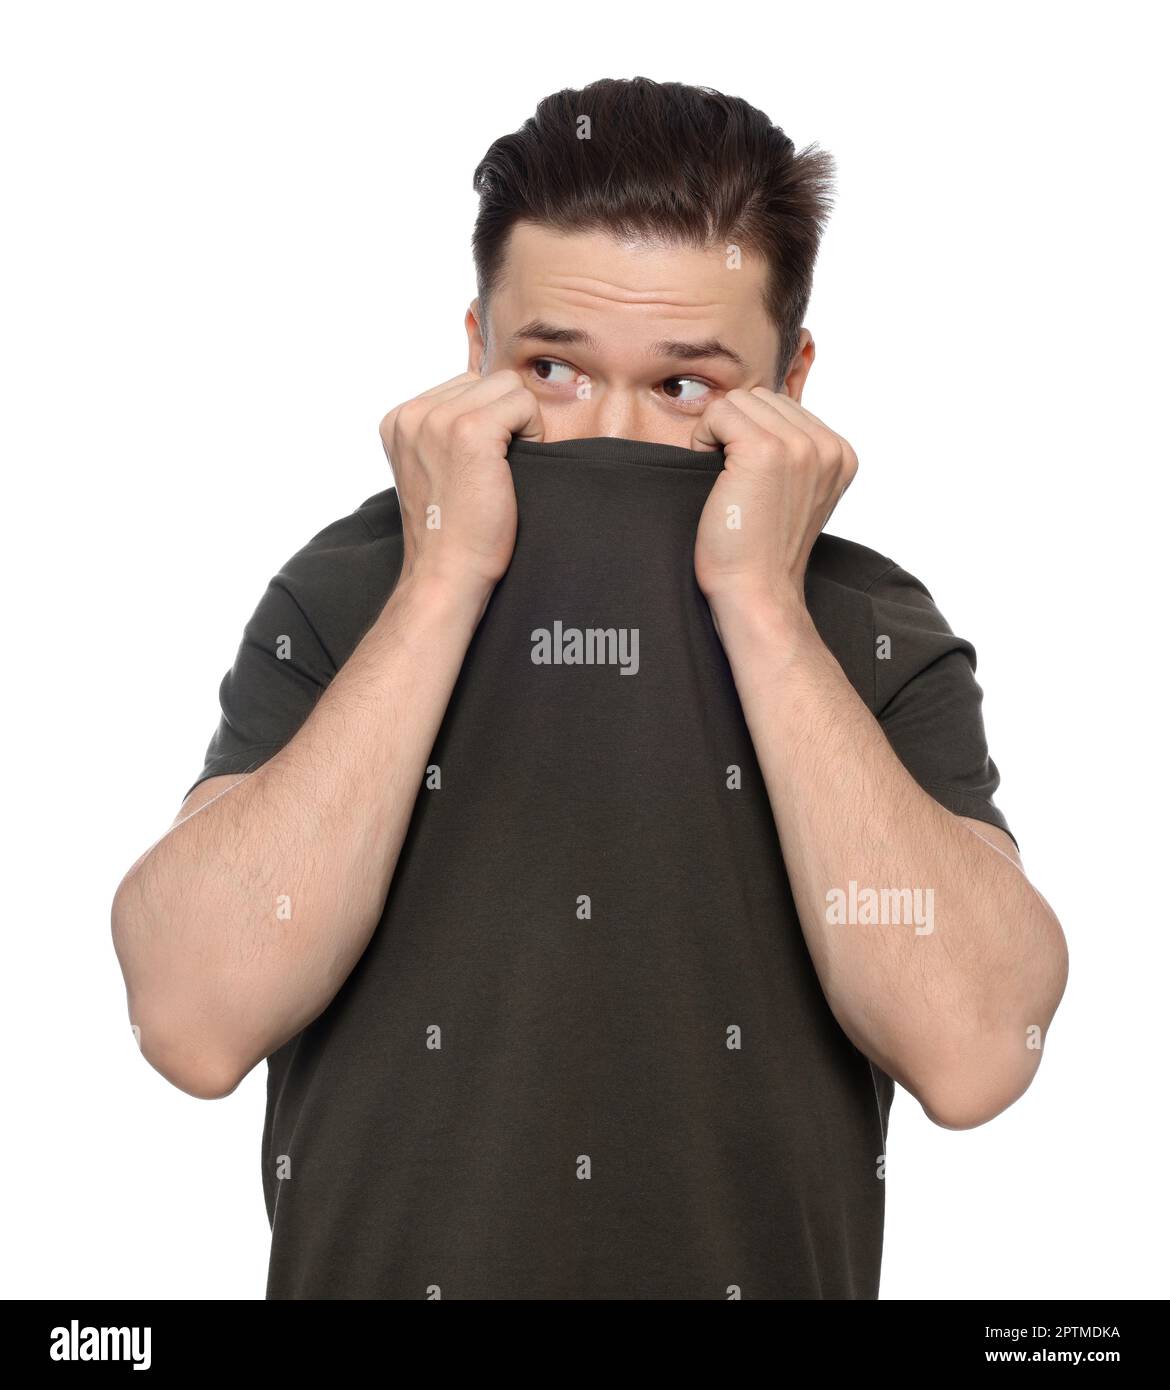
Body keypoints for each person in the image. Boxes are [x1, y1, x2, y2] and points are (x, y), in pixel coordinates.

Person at [110, 76, 1069, 1300]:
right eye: (553, 370)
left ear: (793, 384)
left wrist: (765, 610)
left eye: (684, 388)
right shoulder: (351, 590)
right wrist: (445, 574)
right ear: (472, 355)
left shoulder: (866, 625)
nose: (608, 435)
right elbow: (192, 1019)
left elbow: (977, 1052)